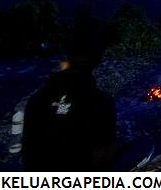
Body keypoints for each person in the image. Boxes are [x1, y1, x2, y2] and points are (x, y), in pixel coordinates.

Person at [21, 24, 117, 171]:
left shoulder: (37, 99)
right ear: (97, 57)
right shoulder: (100, 102)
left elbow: (28, 154)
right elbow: (102, 158)